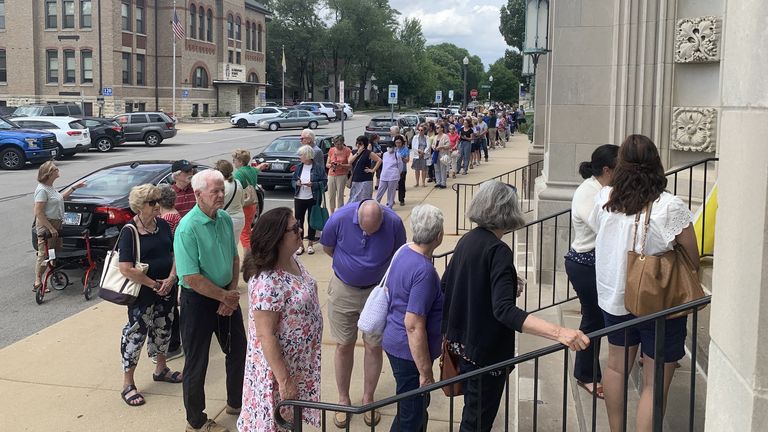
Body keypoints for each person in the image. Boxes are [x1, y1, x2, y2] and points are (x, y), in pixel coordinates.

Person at [441, 181, 589, 432]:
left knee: (472, 414)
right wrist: (560, 332)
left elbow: (449, 283)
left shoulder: (469, 239)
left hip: (462, 346)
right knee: (476, 422)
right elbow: (504, 310)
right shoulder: (498, 250)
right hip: (484, 354)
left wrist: (507, 282)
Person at [588, 135, 699, 432]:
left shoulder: (606, 198)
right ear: (656, 163)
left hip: (614, 297)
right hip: (657, 301)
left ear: (621, 165)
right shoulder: (669, 206)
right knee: (653, 382)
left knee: (614, 367)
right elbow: (692, 254)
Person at [319, 199, 407, 428]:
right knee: (344, 344)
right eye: (365, 231)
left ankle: (368, 398)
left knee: (373, 346)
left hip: (376, 293)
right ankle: (343, 399)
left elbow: (399, 254)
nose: (369, 236)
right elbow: (328, 247)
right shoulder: (339, 218)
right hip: (343, 289)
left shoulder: (394, 222)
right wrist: (349, 266)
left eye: (375, 231)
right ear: (358, 218)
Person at [237, 208, 323, 431]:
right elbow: (266, 335)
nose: (300, 230)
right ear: (276, 237)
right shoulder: (267, 281)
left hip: (297, 364)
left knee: (290, 421)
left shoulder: (292, 259)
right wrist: (284, 381)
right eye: (294, 228)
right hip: (277, 371)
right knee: (276, 422)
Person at [174, 169, 246, 432]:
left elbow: (234, 258)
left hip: (225, 295)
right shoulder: (187, 227)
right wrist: (224, 296)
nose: (220, 194)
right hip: (198, 302)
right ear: (197, 194)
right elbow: (191, 277)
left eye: (221, 189)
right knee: (197, 361)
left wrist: (229, 295)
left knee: (238, 350)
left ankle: (237, 402)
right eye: (214, 191)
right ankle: (196, 421)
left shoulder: (224, 218)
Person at [118, 184, 182, 407]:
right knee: (136, 335)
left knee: (164, 329)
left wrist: (172, 278)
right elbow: (125, 267)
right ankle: (128, 384)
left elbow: (174, 253)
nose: (157, 206)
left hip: (167, 289)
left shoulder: (163, 225)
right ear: (139, 206)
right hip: (143, 295)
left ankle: (161, 368)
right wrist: (154, 285)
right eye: (152, 202)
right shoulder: (129, 231)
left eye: (158, 201)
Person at [382, 204, 445, 431]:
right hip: (408, 352)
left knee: (412, 408)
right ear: (439, 236)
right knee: (411, 414)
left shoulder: (404, 252)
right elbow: (413, 325)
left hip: (395, 342)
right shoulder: (424, 271)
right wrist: (426, 372)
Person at [565, 144, 619, 400]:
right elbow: (605, 226)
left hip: (597, 264)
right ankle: (586, 374)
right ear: (607, 170)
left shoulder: (603, 188)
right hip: (585, 264)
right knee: (594, 319)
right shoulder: (589, 192)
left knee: (597, 318)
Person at [33, 161, 85, 292]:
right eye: (55, 169)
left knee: (55, 251)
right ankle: (38, 281)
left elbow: (60, 197)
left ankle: (54, 275)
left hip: (56, 223)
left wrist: (74, 188)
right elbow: (38, 212)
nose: (58, 170)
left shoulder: (50, 187)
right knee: (44, 253)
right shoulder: (42, 190)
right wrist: (50, 228)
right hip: (47, 224)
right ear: (49, 173)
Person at [291, 144, 327, 256]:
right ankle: (300, 245)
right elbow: (292, 180)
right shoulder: (298, 167)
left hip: (313, 198)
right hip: (299, 197)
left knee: (312, 221)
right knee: (298, 221)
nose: (299, 157)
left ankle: (310, 244)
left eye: (301, 155)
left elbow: (324, 182)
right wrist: (296, 184)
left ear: (307, 155)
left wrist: (314, 184)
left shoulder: (318, 168)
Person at [232, 149, 268, 249]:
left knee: (244, 234)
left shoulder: (238, 174)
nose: (233, 162)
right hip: (252, 203)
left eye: (234, 160)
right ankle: (254, 251)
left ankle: (249, 258)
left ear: (240, 161)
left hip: (244, 205)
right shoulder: (251, 170)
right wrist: (262, 165)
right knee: (248, 230)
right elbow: (257, 169)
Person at [216, 160, 246, 241]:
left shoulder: (222, 187)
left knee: (225, 247)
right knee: (234, 247)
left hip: (227, 220)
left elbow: (217, 206)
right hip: (240, 218)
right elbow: (242, 202)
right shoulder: (237, 182)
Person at [349, 135, 382, 203]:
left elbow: (379, 160)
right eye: (357, 143)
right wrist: (358, 152)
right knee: (353, 199)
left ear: (364, 144)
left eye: (360, 143)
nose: (358, 145)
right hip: (356, 179)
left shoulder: (368, 153)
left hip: (366, 179)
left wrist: (372, 170)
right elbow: (350, 161)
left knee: (365, 199)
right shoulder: (353, 152)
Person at [376, 135, 405, 208]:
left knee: (391, 192)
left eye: (391, 147)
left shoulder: (397, 155)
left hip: (393, 176)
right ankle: (376, 203)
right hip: (384, 175)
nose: (389, 148)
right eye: (388, 147)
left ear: (394, 147)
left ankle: (390, 205)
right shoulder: (385, 154)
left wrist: (398, 174)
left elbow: (400, 166)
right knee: (380, 190)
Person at [326, 135, 352, 214]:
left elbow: (350, 165)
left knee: (340, 195)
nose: (337, 146)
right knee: (331, 195)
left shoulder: (347, 150)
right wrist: (331, 165)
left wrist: (341, 165)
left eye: (339, 144)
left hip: (341, 175)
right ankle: (332, 213)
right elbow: (327, 164)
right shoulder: (331, 150)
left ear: (343, 143)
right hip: (331, 174)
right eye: (335, 144)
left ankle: (340, 213)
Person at [432, 123, 451, 189]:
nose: (436, 129)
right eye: (436, 128)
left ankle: (443, 183)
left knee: (443, 169)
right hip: (436, 154)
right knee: (436, 168)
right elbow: (433, 144)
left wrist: (441, 147)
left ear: (442, 128)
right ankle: (438, 182)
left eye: (438, 127)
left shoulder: (445, 136)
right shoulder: (435, 137)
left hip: (443, 154)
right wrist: (434, 147)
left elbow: (448, 145)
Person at [396, 134, 411, 206]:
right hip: (394, 169)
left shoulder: (405, 149)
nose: (398, 144)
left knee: (401, 184)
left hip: (402, 169)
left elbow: (407, 160)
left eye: (399, 142)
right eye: (396, 142)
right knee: (393, 185)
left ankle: (401, 199)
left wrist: (402, 158)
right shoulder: (394, 149)